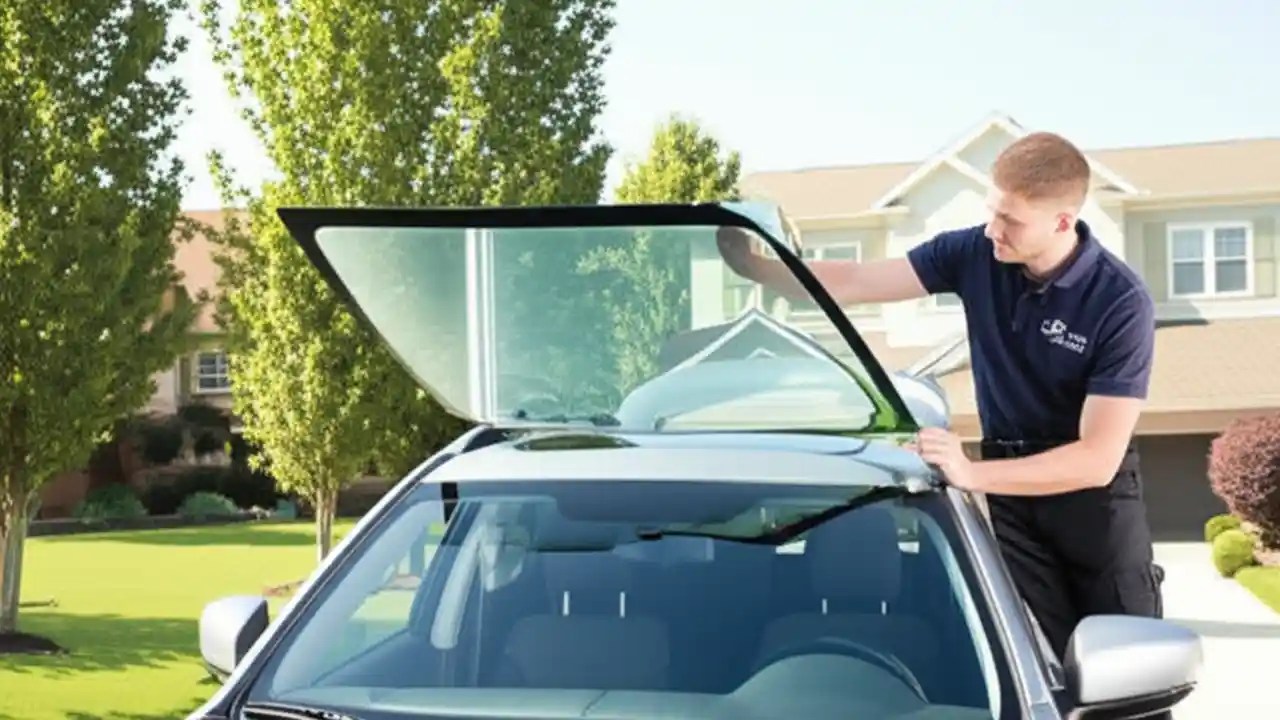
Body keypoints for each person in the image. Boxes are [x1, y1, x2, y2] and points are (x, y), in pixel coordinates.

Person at [716, 131, 1164, 665]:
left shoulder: (1119, 301)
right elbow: (858, 279)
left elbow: (1097, 459)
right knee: (1038, 664)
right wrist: (758, 269)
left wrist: (972, 475)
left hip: (1094, 507)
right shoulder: (974, 252)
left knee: (1126, 673)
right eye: (992, 212)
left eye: (1011, 221)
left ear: (1063, 222)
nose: (994, 230)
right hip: (1012, 494)